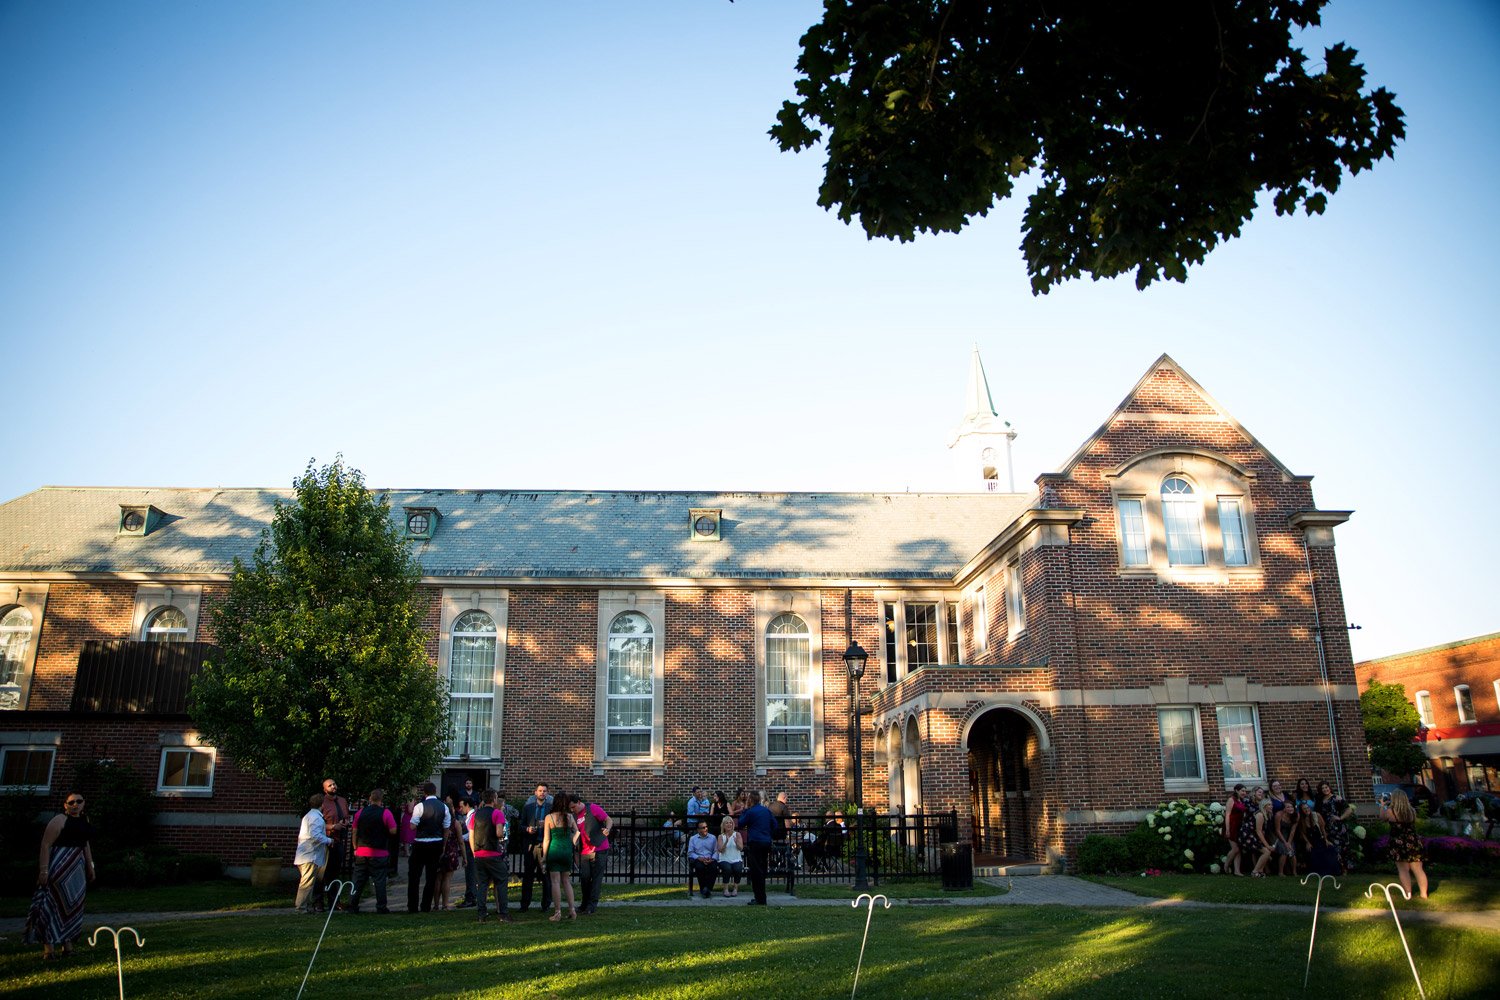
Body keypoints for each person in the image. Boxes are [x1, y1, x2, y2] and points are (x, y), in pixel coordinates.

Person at [25, 791, 94, 960]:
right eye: (71, 802)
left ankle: (67, 945)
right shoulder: (59, 821)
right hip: (59, 864)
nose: (75, 805)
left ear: (84, 803)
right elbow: (46, 844)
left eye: (79, 801)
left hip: (76, 867)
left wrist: (90, 865)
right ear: (65, 805)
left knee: (72, 905)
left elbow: (85, 844)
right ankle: (49, 948)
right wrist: (44, 870)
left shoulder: (85, 821)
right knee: (53, 903)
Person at [346, 787, 397, 914]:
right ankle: (381, 906)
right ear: (381, 800)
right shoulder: (386, 813)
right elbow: (393, 830)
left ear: (370, 798)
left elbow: (355, 831)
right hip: (379, 852)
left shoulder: (360, 813)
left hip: (362, 851)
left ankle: (352, 905)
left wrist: (355, 847)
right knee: (379, 881)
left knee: (358, 880)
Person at [469, 788, 514, 923]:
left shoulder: (475, 815)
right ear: (494, 799)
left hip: (478, 852)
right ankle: (503, 913)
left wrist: (474, 852)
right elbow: (500, 833)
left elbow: (471, 835)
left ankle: (481, 914)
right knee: (501, 881)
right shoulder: (497, 813)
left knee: (482, 884)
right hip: (493, 852)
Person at [407, 781, 450, 913]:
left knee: (414, 875)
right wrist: (443, 845)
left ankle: (412, 906)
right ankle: (426, 905)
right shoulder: (444, 807)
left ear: (424, 793)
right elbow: (446, 828)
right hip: (436, 842)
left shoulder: (420, 806)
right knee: (431, 876)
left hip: (420, 842)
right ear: (435, 792)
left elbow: (412, 826)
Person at [1381, 789, 1429, 899]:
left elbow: (1382, 818)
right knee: (1418, 869)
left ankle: (1408, 894)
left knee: (1403, 870)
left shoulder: (1390, 811)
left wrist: (1382, 805)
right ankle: (1423, 894)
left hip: (1398, 843)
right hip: (1413, 842)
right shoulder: (1412, 811)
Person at [572, 796, 613, 915]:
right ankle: (584, 903)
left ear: (579, 802)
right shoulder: (574, 816)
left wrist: (607, 829)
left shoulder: (592, 808)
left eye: (573, 807)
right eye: (570, 808)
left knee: (596, 878)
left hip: (599, 848)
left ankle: (591, 905)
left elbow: (608, 820)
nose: (572, 810)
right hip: (584, 851)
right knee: (585, 878)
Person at [294, 792, 334, 913]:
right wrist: (329, 840)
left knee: (309, 882)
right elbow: (315, 835)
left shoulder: (309, 816)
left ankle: (306, 906)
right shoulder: (316, 817)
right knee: (306, 883)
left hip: (306, 854)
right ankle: (300, 907)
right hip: (310, 855)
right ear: (322, 804)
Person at [543, 792, 579, 921]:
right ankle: (572, 910)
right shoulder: (570, 817)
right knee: (566, 881)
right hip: (566, 850)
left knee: (555, 882)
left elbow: (547, 839)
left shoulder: (549, 817)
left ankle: (557, 912)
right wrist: (573, 841)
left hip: (554, 849)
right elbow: (577, 832)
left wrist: (544, 856)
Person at [520, 783, 554, 913]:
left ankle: (546, 905)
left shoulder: (551, 808)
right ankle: (524, 905)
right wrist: (527, 829)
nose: (542, 793)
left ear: (547, 793)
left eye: (544, 791)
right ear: (535, 792)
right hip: (531, 845)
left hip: (544, 845)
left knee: (546, 876)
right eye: (540, 791)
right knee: (528, 876)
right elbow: (520, 826)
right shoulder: (528, 808)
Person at [739, 790, 775, 905]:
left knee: (755, 871)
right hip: (766, 842)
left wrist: (744, 810)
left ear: (750, 800)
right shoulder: (766, 811)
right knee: (762, 869)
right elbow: (774, 825)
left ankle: (760, 898)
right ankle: (761, 897)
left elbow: (740, 823)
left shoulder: (750, 812)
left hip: (755, 842)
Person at [319, 778, 351, 897]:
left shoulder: (342, 801)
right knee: (322, 872)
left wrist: (345, 822)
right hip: (326, 841)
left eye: (334, 784)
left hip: (339, 840)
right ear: (325, 789)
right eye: (329, 785)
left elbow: (347, 816)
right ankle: (319, 901)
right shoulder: (322, 802)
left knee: (335, 872)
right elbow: (317, 824)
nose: (333, 786)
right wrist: (332, 826)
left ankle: (334, 900)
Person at [1315, 780, 1355, 873]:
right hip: (1327, 828)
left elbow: (1348, 809)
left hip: (1338, 827)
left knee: (1342, 847)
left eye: (1326, 787)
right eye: (1323, 788)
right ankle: (1337, 868)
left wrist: (1341, 818)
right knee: (1333, 848)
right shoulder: (1320, 800)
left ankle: (1344, 869)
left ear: (1330, 788)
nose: (1325, 789)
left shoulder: (1336, 798)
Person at [1298, 799, 1340, 877]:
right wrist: (1307, 842)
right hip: (1311, 841)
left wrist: (1326, 840)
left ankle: (1333, 871)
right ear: (1301, 810)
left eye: (1307, 808)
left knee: (1329, 849)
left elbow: (1322, 828)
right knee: (1313, 853)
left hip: (1320, 838)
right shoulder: (1302, 820)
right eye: (1304, 809)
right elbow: (1302, 833)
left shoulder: (1316, 815)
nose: (1307, 810)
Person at [687, 820, 720, 898]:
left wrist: (712, 859)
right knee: (699, 867)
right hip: (699, 858)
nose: (706, 829)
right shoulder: (693, 839)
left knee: (714, 868)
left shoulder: (713, 838)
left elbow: (716, 851)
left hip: (710, 858)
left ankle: (708, 889)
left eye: (706, 827)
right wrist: (699, 858)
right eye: (703, 827)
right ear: (698, 830)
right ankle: (703, 889)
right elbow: (690, 852)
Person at [717, 816, 745, 897]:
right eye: (727, 823)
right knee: (727, 868)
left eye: (731, 823)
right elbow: (720, 850)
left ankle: (735, 889)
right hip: (724, 859)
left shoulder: (737, 834)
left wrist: (736, 842)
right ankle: (725, 889)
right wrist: (726, 842)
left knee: (738, 869)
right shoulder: (720, 836)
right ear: (723, 825)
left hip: (736, 859)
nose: (729, 824)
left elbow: (741, 848)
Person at [1223, 784, 1248, 875]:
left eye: (1245, 791)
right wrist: (1227, 829)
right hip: (1231, 826)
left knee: (1239, 849)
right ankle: (1226, 864)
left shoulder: (1241, 801)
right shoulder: (1231, 800)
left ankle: (1237, 871)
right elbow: (1228, 814)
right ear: (1236, 791)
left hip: (1239, 826)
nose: (1244, 793)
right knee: (1235, 848)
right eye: (1242, 791)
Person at [1249, 800, 1276, 877]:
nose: (1272, 806)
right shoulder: (1260, 815)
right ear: (1264, 806)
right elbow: (1259, 831)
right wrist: (1267, 845)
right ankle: (1255, 872)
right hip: (1248, 836)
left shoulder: (1266, 815)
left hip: (1255, 836)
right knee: (1266, 851)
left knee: (1267, 852)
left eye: (1271, 805)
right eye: (1269, 805)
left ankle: (1260, 871)